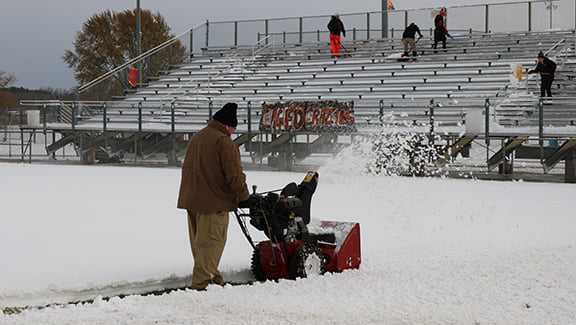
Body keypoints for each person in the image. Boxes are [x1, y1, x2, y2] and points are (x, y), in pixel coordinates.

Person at [177, 102, 250, 291]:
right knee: (212, 243)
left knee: (200, 245)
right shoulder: (224, 142)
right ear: (227, 125)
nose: (233, 132)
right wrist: (244, 196)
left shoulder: (198, 137)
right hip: (214, 203)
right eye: (233, 128)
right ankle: (201, 286)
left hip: (192, 200)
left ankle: (214, 278)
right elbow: (234, 175)